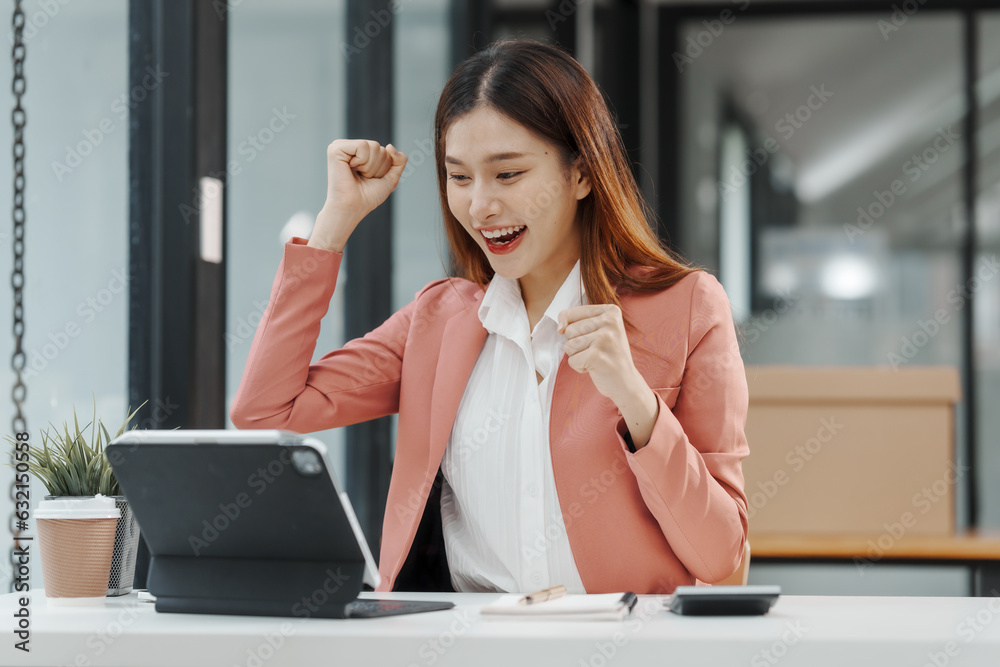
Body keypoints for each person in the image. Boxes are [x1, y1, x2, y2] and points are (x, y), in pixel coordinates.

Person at [230, 38, 749, 595]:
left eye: (507, 175)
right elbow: (264, 410)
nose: (480, 205)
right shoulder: (439, 319)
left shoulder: (688, 307)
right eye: (459, 177)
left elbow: (720, 556)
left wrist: (636, 402)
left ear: (582, 174)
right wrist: (333, 226)